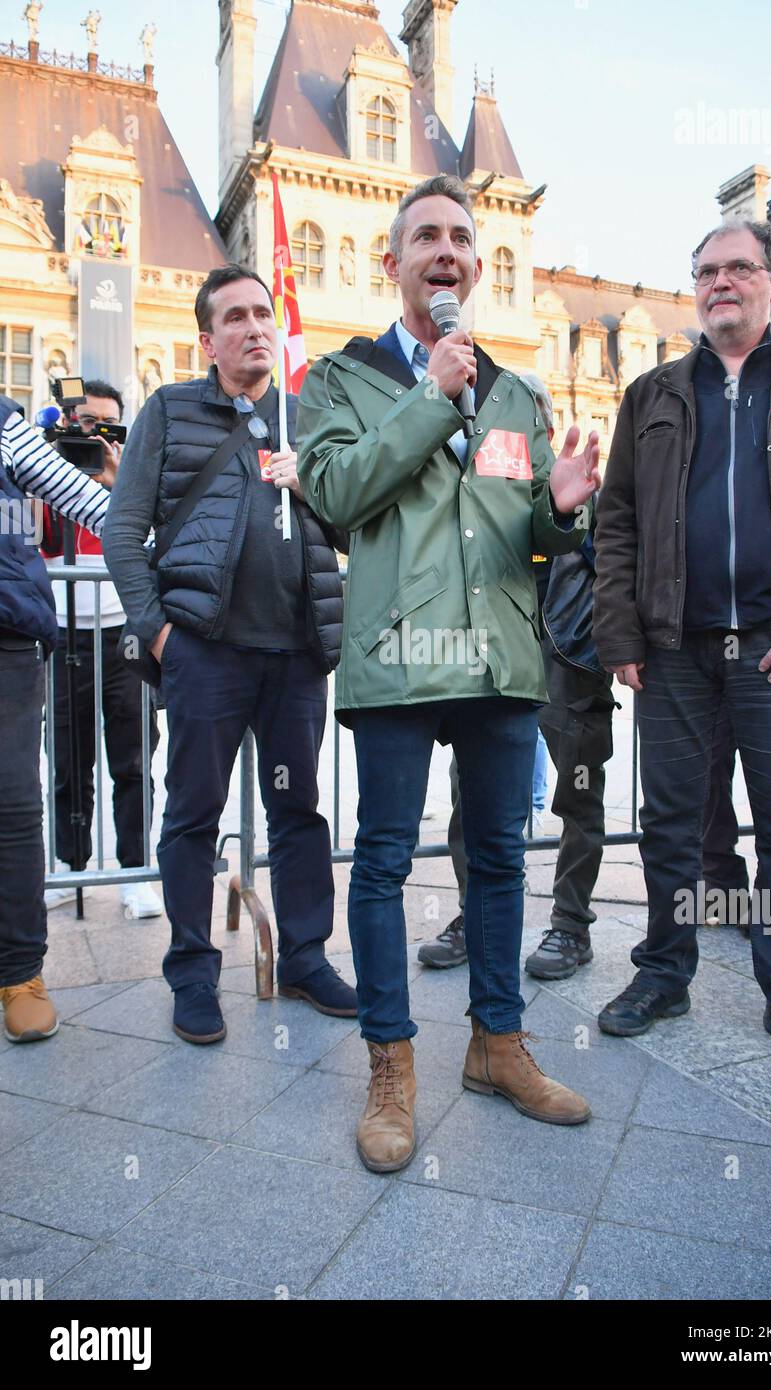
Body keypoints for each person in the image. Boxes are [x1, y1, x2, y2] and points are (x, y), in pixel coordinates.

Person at [298, 174, 602, 1174]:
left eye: (460, 238)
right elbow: (337, 493)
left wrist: (561, 508)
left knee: (501, 861)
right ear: (392, 263)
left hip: (499, 661)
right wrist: (430, 393)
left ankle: (497, 1046)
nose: (445, 251)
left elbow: (533, 533)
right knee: (383, 862)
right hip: (396, 656)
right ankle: (390, 1066)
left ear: (473, 264)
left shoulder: (514, 390)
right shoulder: (340, 380)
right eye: (423, 236)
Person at [593, 218, 771, 1074]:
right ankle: (665, 971)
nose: (719, 283)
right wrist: (619, 630)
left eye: (737, 268)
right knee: (672, 825)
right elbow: (618, 522)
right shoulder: (654, 393)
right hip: (675, 648)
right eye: (705, 271)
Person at [103, 263, 355, 1044]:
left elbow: (353, 527)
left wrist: (313, 488)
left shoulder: (307, 421)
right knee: (193, 814)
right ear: (208, 340)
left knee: (299, 813)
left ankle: (307, 957)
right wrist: (157, 631)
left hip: (295, 656)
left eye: (262, 315)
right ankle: (192, 972)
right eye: (236, 317)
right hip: (206, 654)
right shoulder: (172, 411)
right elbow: (121, 529)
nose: (254, 328)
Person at [419, 373, 617, 980]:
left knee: (576, 796)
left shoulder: (591, 492)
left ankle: (570, 924)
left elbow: (618, 569)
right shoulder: (478, 489)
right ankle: (472, 912)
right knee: (468, 790)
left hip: (569, 661)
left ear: (547, 429)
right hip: (491, 664)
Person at [0, 394, 111, 1042]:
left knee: (14, 805)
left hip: (7, 635)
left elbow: (85, 498)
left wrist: (169, 541)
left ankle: (19, 973)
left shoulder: (6, 429)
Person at [41, 380, 161, 919]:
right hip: (63, 631)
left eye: (109, 425)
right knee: (68, 758)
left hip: (123, 632)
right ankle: (71, 866)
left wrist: (117, 487)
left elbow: (159, 539)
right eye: (86, 424)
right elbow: (33, 537)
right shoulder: (40, 468)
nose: (97, 435)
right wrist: (48, 469)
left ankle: (136, 871)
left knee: (133, 758)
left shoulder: (133, 474)